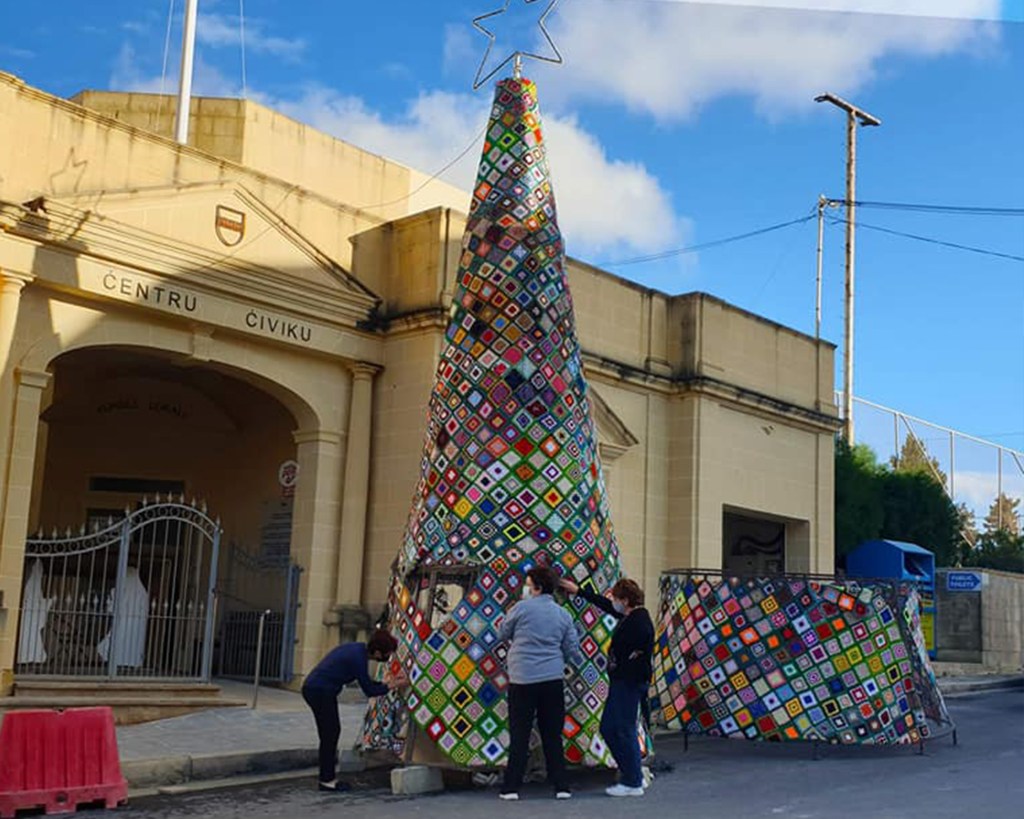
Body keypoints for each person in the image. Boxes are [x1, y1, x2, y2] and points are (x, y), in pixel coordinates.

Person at [559, 576, 654, 798]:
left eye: (617, 599)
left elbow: (640, 647)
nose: (614, 603)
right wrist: (580, 591)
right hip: (624, 681)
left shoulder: (639, 621)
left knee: (621, 729)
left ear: (626, 600)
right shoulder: (632, 615)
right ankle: (632, 775)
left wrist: (627, 661)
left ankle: (632, 780)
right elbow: (606, 606)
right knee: (613, 728)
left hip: (628, 682)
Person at [497, 566, 584, 801]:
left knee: (520, 734)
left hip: (522, 678)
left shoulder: (521, 609)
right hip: (552, 679)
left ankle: (511, 787)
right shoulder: (562, 614)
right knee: (552, 735)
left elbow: (502, 634)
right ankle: (561, 786)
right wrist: (556, 661)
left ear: (535, 586)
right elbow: (572, 648)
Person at [301, 629, 407, 792]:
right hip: (320, 691)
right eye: (386, 654)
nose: (386, 658)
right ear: (377, 652)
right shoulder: (358, 658)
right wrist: (391, 685)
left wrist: (387, 684)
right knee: (330, 733)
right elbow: (369, 690)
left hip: (317, 689)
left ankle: (326, 777)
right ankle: (327, 780)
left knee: (329, 733)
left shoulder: (358, 651)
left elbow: (367, 683)